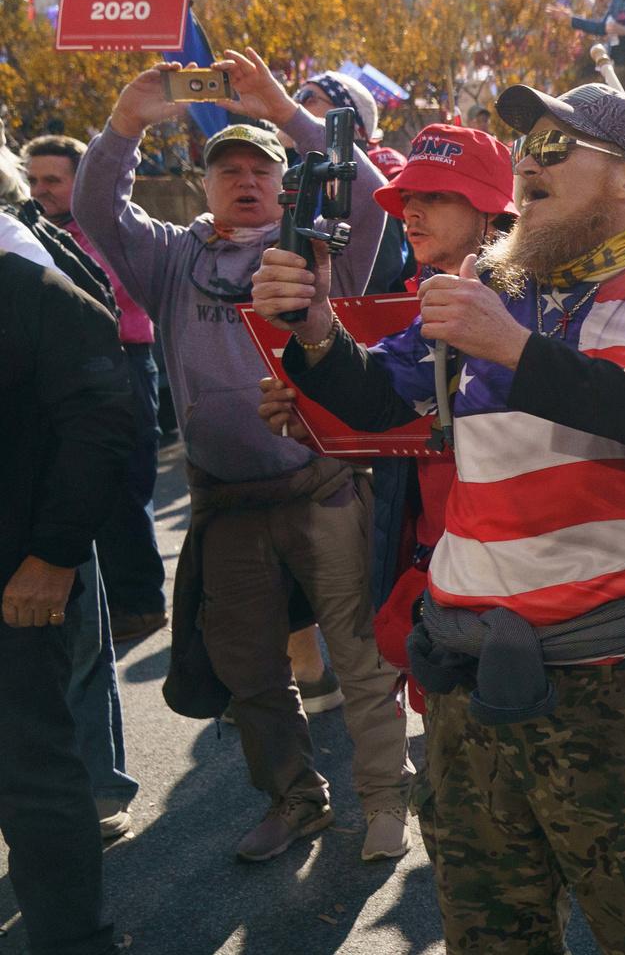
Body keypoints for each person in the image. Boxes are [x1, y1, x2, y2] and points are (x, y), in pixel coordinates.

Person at [253, 80, 625, 952]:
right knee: (489, 936)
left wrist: (514, 349)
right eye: (525, 146)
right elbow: (380, 398)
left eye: (557, 147)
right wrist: (314, 332)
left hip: (619, 688)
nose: (528, 162)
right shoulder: (481, 289)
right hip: (470, 684)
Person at [73, 42, 415, 865]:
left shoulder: (322, 247)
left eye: (261, 167)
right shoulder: (171, 257)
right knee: (253, 675)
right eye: (228, 169)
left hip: (322, 488)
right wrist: (124, 125)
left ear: (285, 181)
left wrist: (284, 113)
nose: (246, 179)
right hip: (225, 501)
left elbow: (376, 198)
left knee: (360, 659)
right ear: (205, 183)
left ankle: (384, 802)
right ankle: (295, 801)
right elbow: (96, 210)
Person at [257, 121, 521, 708]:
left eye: (436, 195)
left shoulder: (538, 297)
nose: (412, 211)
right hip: (446, 574)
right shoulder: (434, 295)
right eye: (407, 197)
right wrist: (314, 325)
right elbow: (379, 400)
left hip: (535, 591)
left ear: (490, 211)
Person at [0, 218, 133, 955]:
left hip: (15, 588)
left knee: (33, 779)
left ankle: (74, 942)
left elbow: (102, 428)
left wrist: (53, 557)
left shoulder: (38, 295)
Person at [23, 133, 167, 640]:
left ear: (81, 182)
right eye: (32, 179)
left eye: (52, 180)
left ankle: (141, 604)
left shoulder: (104, 232)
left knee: (123, 488)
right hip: (70, 373)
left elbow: (106, 296)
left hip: (124, 362)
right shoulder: (35, 232)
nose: (39, 190)